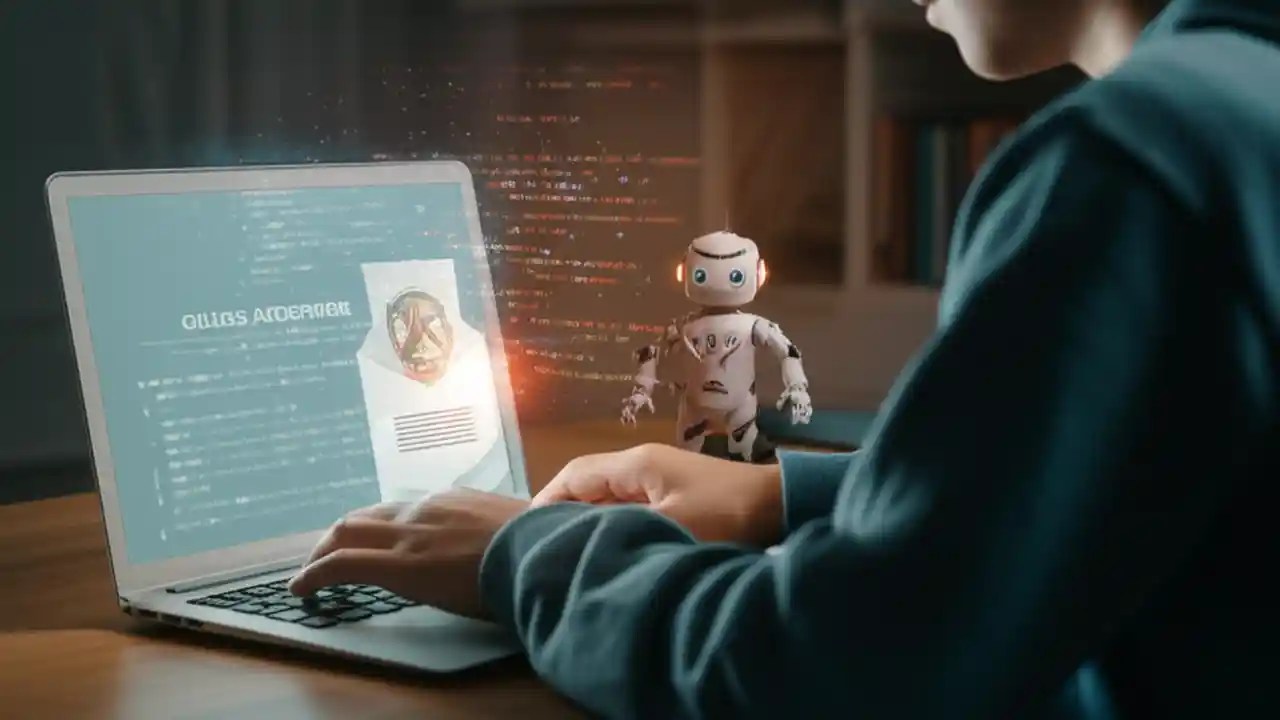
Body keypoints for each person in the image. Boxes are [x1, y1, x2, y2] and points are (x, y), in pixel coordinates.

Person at [289, 0, 1279, 716]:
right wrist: (786, 500)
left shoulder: (1127, 168)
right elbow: (1145, 490)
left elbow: (831, 671)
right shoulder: (1243, 105)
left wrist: (524, 556)